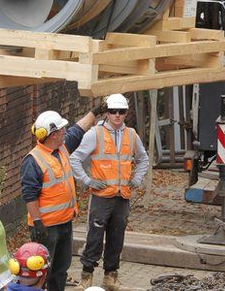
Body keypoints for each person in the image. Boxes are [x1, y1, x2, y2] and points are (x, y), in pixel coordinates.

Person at [69, 94, 150, 291]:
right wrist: (88, 181)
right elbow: (74, 159)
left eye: (121, 112)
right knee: (94, 237)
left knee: (116, 237)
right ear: (106, 113)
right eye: (113, 111)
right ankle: (86, 277)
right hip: (101, 198)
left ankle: (110, 278)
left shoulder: (131, 135)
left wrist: (137, 179)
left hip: (122, 197)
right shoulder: (95, 134)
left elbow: (143, 159)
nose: (117, 115)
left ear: (126, 113)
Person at [22, 108, 97, 291]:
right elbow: (30, 195)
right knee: (43, 272)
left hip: (64, 223)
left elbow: (79, 129)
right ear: (53, 134)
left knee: (61, 269)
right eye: (62, 129)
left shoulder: (62, 148)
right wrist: (38, 223)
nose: (65, 131)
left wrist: (95, 112)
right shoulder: (33, 160)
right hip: (46, 228)